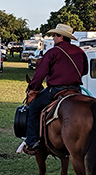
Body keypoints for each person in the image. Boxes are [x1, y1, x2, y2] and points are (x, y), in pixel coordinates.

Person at [20, 23, 88, 155]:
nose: (53, 38)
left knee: (34, 109)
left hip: (56, 90)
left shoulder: (53, 52)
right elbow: (85, 71)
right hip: (75, 90)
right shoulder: (80, 52)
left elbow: (40, 73)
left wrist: (33, 87)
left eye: (55, 36)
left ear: (61, 37)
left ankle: (33, 142)